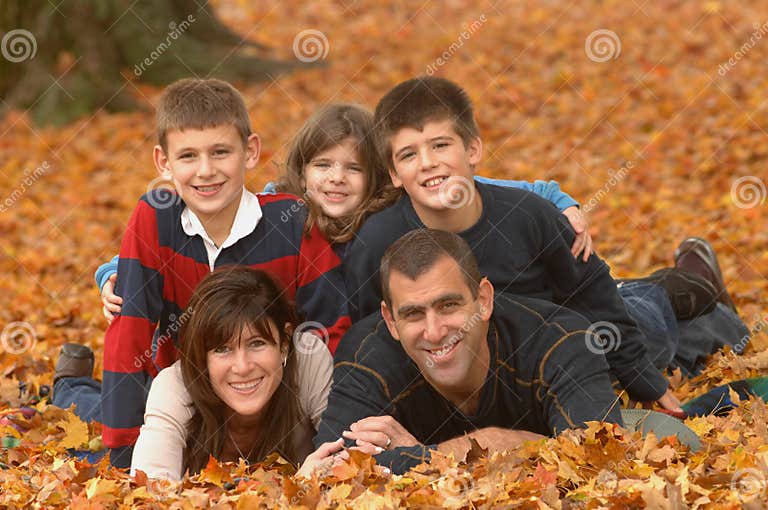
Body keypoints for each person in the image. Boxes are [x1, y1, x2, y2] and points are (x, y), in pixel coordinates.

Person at [343, 75, 685, 412]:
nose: (428, 162)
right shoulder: (376, 244)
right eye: (408, 155)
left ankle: (686, 285)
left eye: (440, 145)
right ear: (393, 173)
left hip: (568, 347)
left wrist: (641, 377)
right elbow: (375, 335)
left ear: (473, 149)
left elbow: (592, 293)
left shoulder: (529, 215)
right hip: (480, 375)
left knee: (655, 328)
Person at [65, 78, 350, 468]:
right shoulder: (155, 219)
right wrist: (122, 448)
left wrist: (332, 436)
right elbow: (130, 330)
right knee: (96, 417)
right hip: (188, 396)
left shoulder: (292, 222)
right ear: (163, 163)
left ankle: (75, 386)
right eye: (188, 156)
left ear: (250, 151)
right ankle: (69, 384)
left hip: (272, 391)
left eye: (220, 152)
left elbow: (331, 331)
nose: (206, 170)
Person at [95, 104, 593, 321]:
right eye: (323, 166)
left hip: (366, 329)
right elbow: (196, 227)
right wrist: (114, 272)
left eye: (352, 168)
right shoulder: (276, 209)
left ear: (377, 175)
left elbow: (476, 187)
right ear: (302, 169)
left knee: (624, 300)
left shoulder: (391, 212)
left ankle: (646, 297)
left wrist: (555, 198)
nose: (335, 179)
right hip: (299, 339)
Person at [313, 229, 623, 475]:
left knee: (643, 309)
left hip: (634, 317)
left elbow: (599, 454)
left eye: (448, 305)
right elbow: (328, 468)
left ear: (484, 300)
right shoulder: (367, 354)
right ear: (391, 321)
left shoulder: (559, 339)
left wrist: (423, 457)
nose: (434, 332)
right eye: (413, 314)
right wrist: (533, 444)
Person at [131, 267, 336, 480]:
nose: (242, 367)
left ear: (284, 343)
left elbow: (344, 455)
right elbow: (149, 489)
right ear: (202, 356)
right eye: (222, 349)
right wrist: (302, 484)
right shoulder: (175, 387)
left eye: (257, 343)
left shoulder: (308, 360)